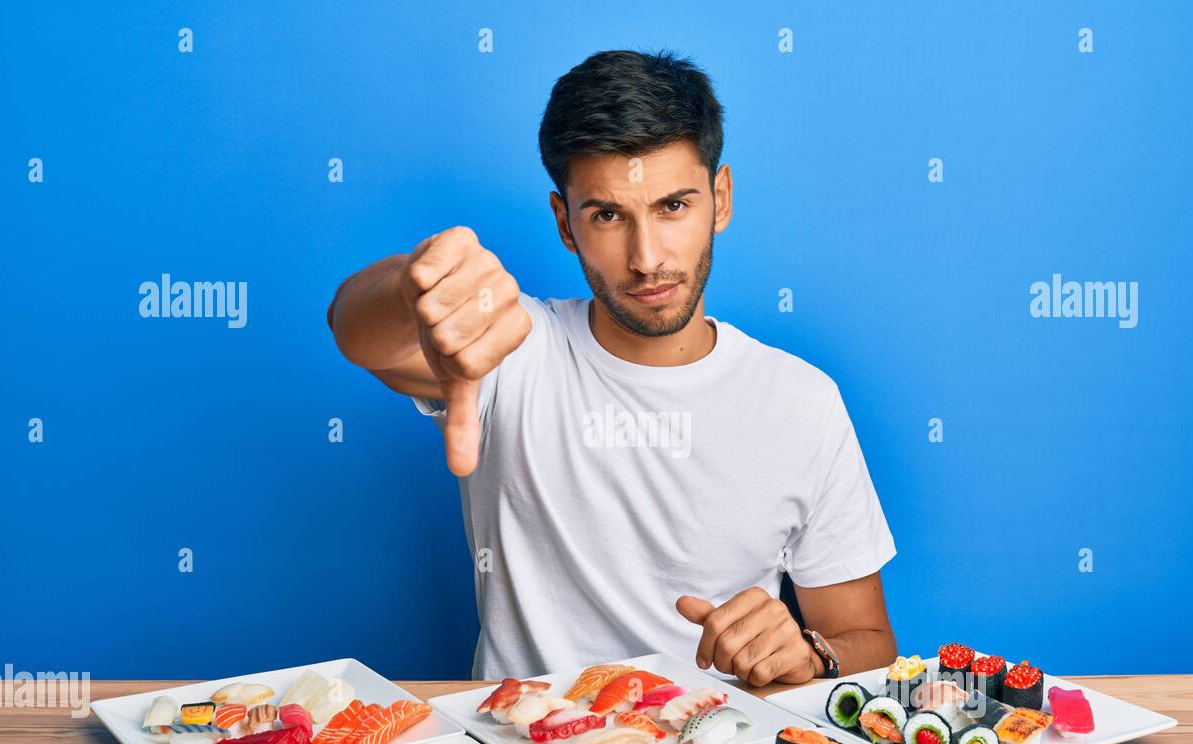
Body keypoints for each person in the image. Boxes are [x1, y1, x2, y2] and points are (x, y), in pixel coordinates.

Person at [328, 49, 898, 684]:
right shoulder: (509, 348)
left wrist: (813, 652)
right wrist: (413, 288)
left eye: (673, 206)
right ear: (565, 225)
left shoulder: (802, 401)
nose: (647, 258)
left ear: (722, 198)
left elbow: (868, 639)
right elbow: (358, 334)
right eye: (607, 215)